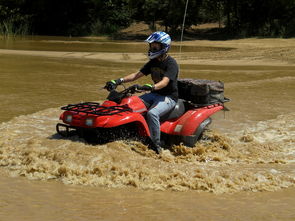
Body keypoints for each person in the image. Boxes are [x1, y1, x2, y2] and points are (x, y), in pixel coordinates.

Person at [105, 31, 179, 154]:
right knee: (130, 104)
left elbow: (165, 82)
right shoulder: (153, 62)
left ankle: (155, 146)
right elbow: (136, 75)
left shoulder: (171, 63)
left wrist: (151, 87)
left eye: (155, 46)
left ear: (164, 47)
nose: (152, 48)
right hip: (154, 94)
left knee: (152, 113)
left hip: (169, 97)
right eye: (151, 45)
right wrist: (118, 80)